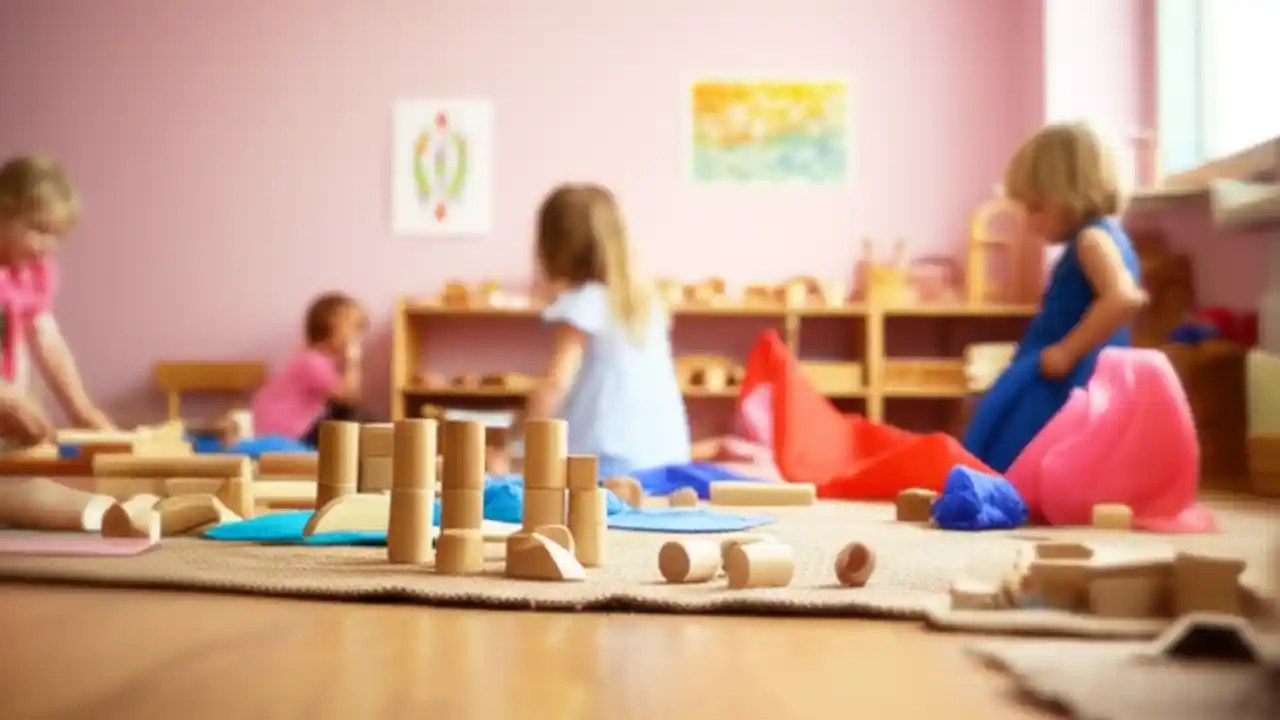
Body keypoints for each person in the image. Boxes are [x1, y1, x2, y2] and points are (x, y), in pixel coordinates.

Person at [963, 122, 1147, 473]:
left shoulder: (1092, 240)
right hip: (1061, 368)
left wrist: (1067, 351)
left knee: (1016, 447)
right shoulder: (1105, 237)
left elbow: (1123, 298)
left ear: (1072, 195)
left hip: (1065, 378)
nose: (1029, 222)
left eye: (1036, 207)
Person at [515, 182, 690, 477]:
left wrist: (518, 445)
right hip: (665, 455)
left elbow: (556, 383)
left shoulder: (583, 303)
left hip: (607, 457)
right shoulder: (644, 302)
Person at [0, 155, 114, 447]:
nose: (48, 245)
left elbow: (48, 342)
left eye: (56, 236)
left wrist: (81, 410)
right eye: (38, 229)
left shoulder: (33, 271)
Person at [249, 292, 366, 447]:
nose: (357, 337)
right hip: (283, 432)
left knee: (348, 415)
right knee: (350, 415)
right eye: (354, 329)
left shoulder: (309, 356)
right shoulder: (312, 362)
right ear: (333, 328)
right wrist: (353, 360)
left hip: (286, 428)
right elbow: (350, 397)